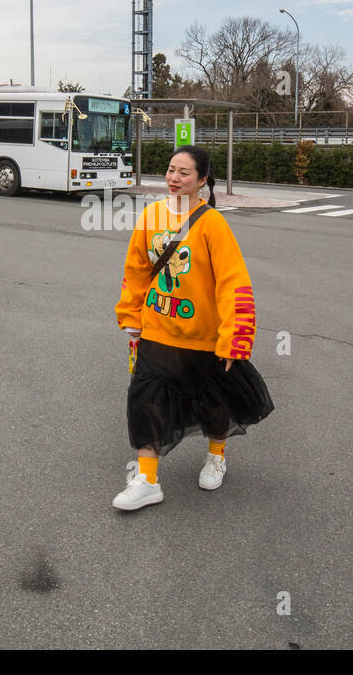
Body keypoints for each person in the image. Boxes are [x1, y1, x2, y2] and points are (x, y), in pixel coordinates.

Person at [112, 144, 273, 510]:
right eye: (171, 170)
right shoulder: (150, 216)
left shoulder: (213, 223)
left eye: (184, 173)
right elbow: (136, 271)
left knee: (213, 402)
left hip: (203, 337)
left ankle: (217, 454)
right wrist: (130, 315)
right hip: (156, 331)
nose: (174, 178)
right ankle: (148, 479)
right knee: (146, 401)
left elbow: (233, 282)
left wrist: (236, 337)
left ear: (202, 180)